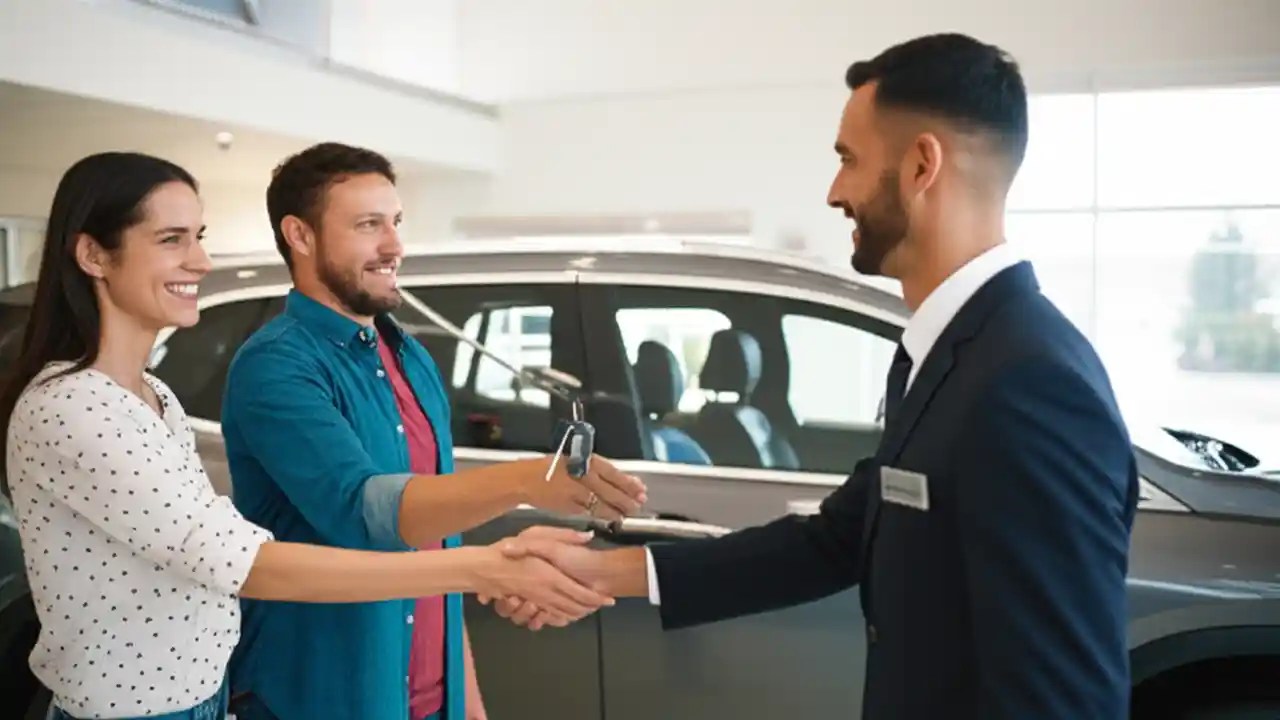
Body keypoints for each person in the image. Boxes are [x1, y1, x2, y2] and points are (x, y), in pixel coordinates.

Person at [487, 33, 1139, 720]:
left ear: (922, 165)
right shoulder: (950, 353)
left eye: (849, 160)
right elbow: (836, 540)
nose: (836, 192)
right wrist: (599, 572)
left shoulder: (1028, 382)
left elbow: (1066, 698)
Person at [0, 151, 613, 720]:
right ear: (93, 255)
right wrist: (491, 556)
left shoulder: (156, 399)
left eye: (199, 237)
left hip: (204, 700)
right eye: (171, 240)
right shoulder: (73, 408)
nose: (201, 261)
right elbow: (252, 560)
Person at [218, 142, 647, 720]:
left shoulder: (410, 357)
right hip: (322, 698)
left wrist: (466, 702)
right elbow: (366, 513)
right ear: (300, 235)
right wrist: (525, 480)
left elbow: (432, 540)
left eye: (395, 223)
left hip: (426, 701)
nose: (394, 245)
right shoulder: (276, 366)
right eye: (369, 225)